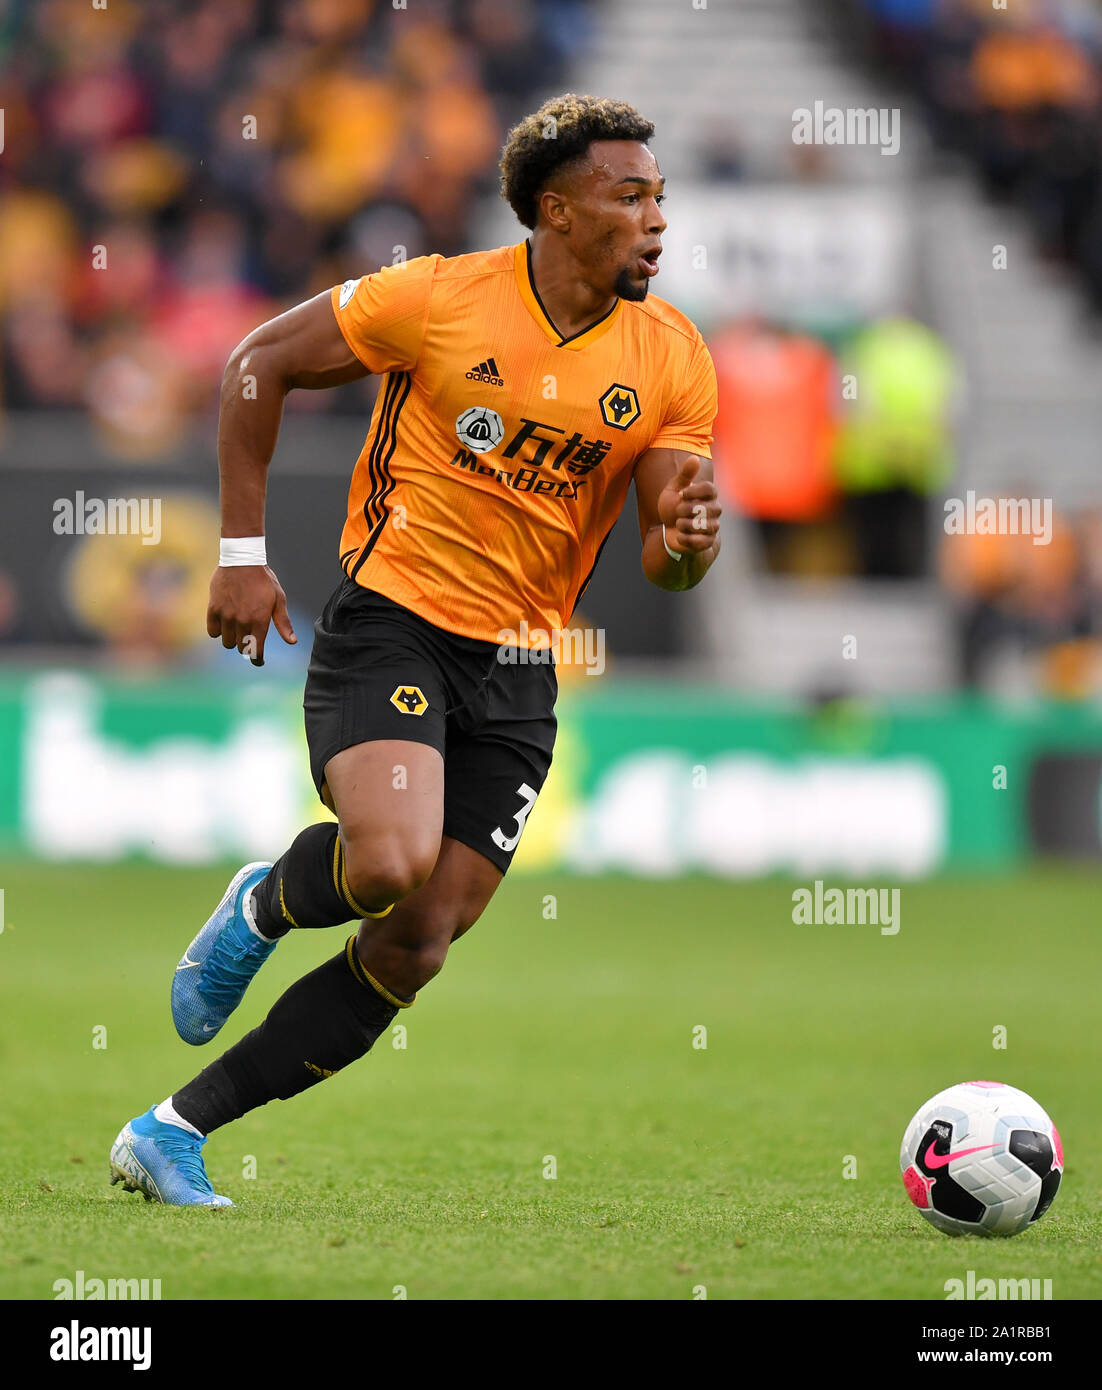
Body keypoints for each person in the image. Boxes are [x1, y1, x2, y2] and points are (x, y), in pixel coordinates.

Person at [109, 93, 723, 1206]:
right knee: (386, 858)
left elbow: (666, 559)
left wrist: (685, 544)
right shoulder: (438, 298)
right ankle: (264, 902)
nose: (655, 220)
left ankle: (174, 1128)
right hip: (393, 620)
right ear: (557, 209)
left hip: (521, 665)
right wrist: (241, 550)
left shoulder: (672, 354)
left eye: (659, 198)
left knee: (416, 941)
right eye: (629, 196)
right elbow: (257, 361)